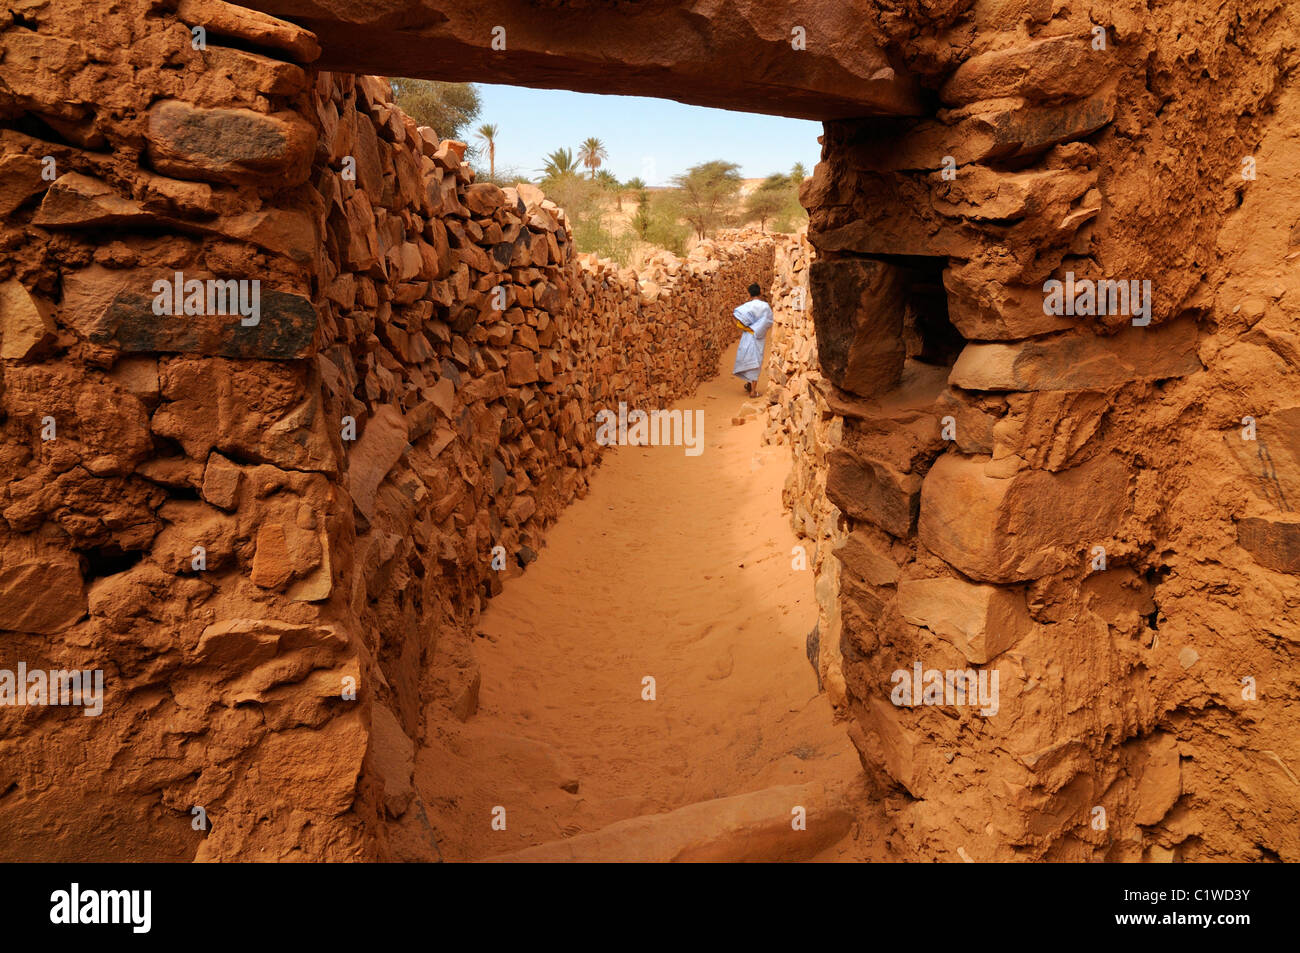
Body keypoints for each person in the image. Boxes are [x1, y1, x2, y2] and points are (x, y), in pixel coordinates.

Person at [732, 282, 773, 397]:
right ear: (760, 292)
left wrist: (747, 327)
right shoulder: (765, 306)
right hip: (758, 337)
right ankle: (753, 391)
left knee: (747, 358)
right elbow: (768, 322)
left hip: (747, 336)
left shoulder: (746, 306)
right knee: (756, 361)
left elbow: (736, 315)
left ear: (749, 294)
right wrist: (757, 329)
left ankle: (749, 385)